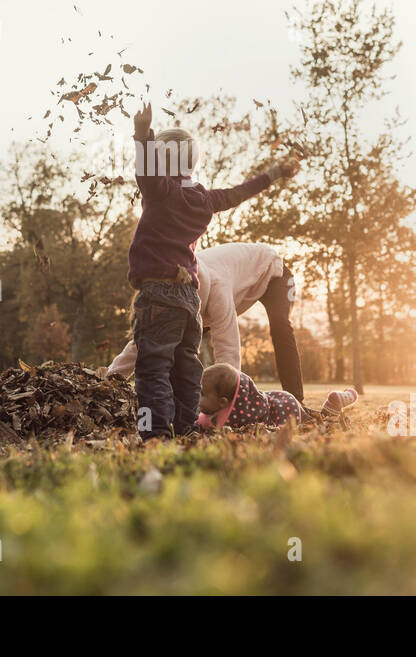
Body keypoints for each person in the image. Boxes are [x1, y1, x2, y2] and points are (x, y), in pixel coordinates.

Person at [128, 102, 299, 439]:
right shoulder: (205, 200)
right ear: (194, 163)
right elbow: (241, 192)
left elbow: (147, 173)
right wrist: (275, 174)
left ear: (163, 163)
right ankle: (188, 427)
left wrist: (142, 135)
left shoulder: (162, 192)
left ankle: (155, 433)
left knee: (151, 369)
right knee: (186, 368)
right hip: (190, 299)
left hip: (158, 293)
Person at [107, 242, 306, 400]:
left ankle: (296, 399)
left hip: (272, 271)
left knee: (280, 325)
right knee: (171, 340)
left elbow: (228, 351)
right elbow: (142, 342)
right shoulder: (167, 294)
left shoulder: (219, 290)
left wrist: (228, 399)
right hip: (222, 288)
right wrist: (108, 382)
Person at [196, 362, 358, 430]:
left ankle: (335, 405)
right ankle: (334, 402)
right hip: (279, 398)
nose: (196, 396)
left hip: (284, 409)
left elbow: (204, 424)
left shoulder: (236, 418)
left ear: (223, 402)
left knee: (317, 424)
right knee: (312, 415)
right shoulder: (223, 406)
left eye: (202, 393)